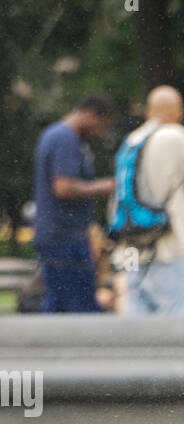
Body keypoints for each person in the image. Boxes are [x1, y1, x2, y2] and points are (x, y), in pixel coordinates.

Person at [116, 86, 184, 316]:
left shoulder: (131, 141)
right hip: (170, 246)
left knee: (138, 329)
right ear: (178, 112)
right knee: (180, 323)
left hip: (132, 249)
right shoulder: (175, 135)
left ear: (149, 111)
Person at [33, 93, 117, 313]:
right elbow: (63, 187)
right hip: (63, 237)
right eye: (101, 125)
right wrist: (104, 187)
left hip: (58, 235)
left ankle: (44, 346)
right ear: (90, 114)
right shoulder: (65, 138)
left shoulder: (57, 135)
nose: (100, 133)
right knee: (81, 307)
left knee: (60, 303)